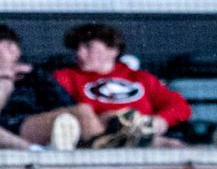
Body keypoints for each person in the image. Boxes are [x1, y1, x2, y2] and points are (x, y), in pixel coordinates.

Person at [52, 23, 190, 148]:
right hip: (95, 142)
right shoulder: (66, 77)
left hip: (144, 135)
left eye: (88, 47)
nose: (79, 53)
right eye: (76, 48)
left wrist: (161, 120)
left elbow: (180, 106)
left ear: (112, 50)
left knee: (174, 146)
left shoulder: (140, 78)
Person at [0, 24, 104, 151]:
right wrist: (5, 78)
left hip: (44, 121)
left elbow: (64, 102)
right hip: (12, 126)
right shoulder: (6, 79)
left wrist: (36, 75)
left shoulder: (35, 73)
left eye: (12, 45)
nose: (11, 50)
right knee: (81, 114)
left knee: (83, 114)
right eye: (4, 45)